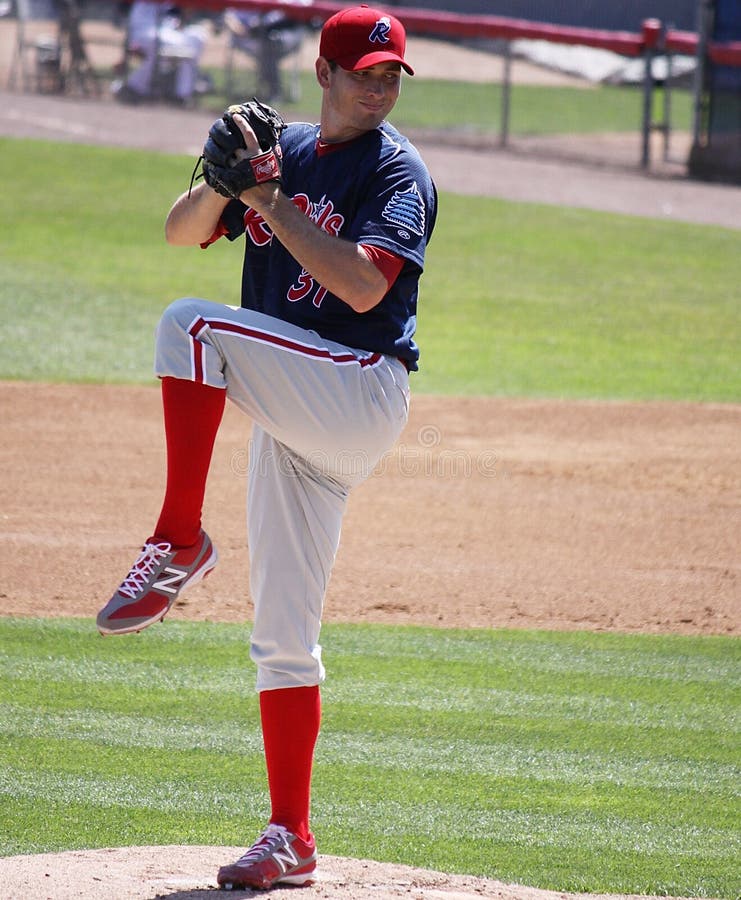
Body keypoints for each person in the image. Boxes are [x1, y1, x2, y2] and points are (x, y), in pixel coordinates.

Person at [97, 5, 437, 891]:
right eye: (364, 70)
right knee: (283, 637)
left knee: (190, 326)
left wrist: (265, 200)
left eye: (390, 73)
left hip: (358, 386)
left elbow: (364, 287)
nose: (378, 85)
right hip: (300, 414)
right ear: (322, 73)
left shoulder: (397, 169)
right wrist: (220, 182)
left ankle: (178, 538)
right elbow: (180, 230)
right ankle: (291, 836)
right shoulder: (273, 151)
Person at [114, 1, 208, 105]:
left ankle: (182, 94)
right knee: (157, 42)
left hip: (169, 32)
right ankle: (134, 87)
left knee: (197, 37)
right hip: (144, 32)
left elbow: (179, 18)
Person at [224, 6, 306, 102]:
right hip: (250, 40)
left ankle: (271, 90)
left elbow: (294, 20)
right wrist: (245, 31)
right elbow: (229, 18)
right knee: (268, 47)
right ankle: (274, 91)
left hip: (280, 39)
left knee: (269, 44)